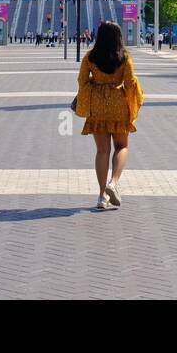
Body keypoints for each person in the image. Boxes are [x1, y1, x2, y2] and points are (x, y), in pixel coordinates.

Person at [72, 21, 144, 211]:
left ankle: (102, 196)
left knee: (102, 151)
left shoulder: (90, 57)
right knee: (121, 146)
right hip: (118, 105)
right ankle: (114, 182)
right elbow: (129, 82)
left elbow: (82, 81)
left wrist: (94, 89)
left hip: (98, 106)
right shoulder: (124, 57)